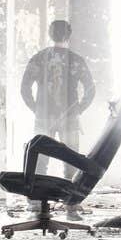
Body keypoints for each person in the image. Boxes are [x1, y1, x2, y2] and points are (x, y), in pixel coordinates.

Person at [20, 19, 95, 147]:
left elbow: (24, 88)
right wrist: (78, 110)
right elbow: (90, 89)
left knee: (39, 163)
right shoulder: (76, 60)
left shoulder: (38, 58)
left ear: (50, 35)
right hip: (69, 118)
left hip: (44, 118)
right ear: (69, 36)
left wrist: (36, 109)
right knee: (72, 162)